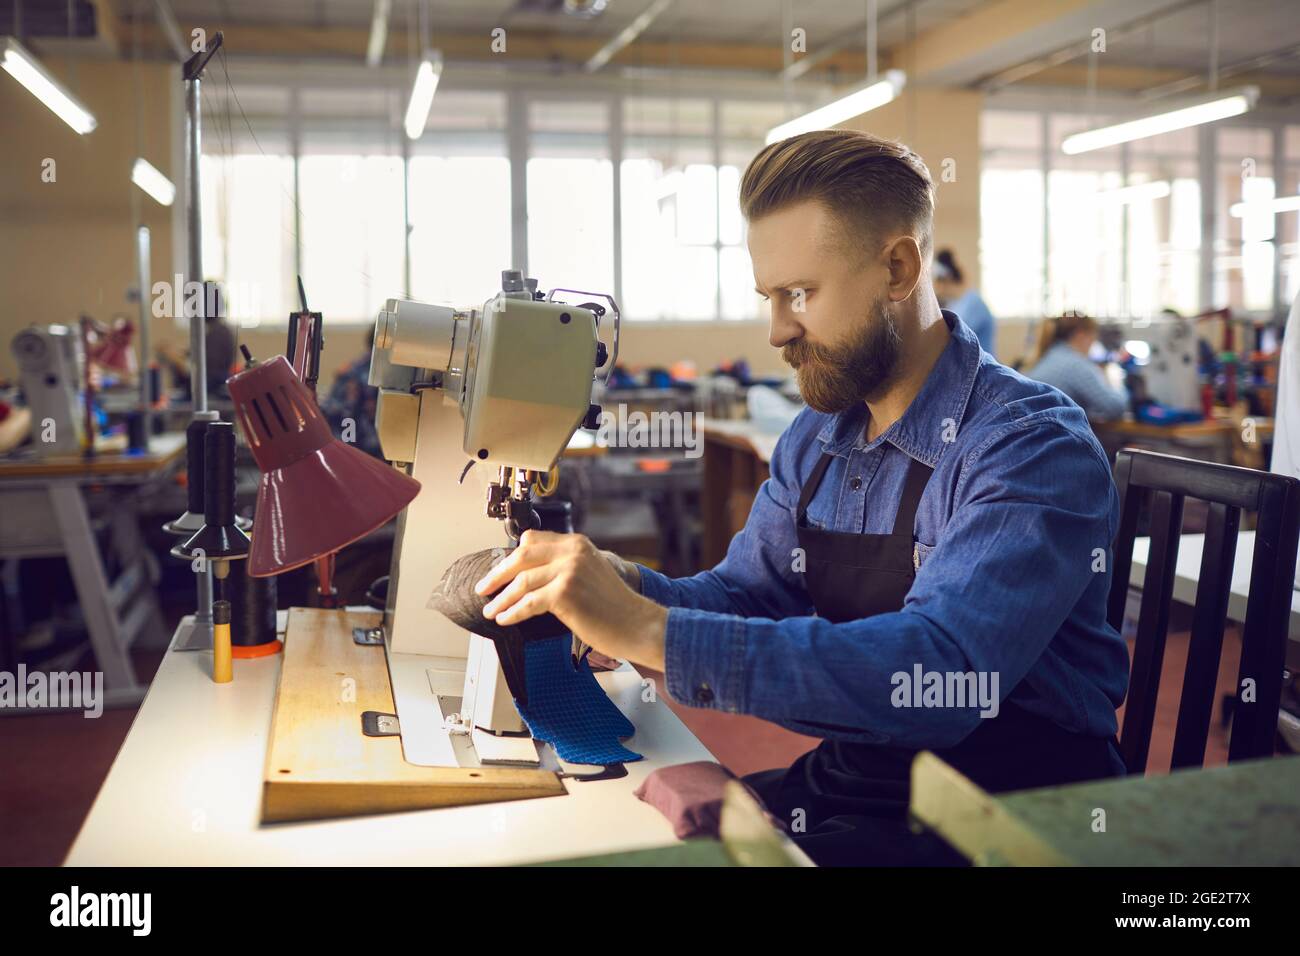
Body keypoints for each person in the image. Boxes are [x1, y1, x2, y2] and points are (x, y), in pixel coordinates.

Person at [471, 129, 1130, 866]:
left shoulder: (1029, 446)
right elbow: (749, 592)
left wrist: (649, 631)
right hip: (871, 782)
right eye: (770, 297)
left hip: (1016, 813)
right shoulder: (820, 436)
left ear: (899, 269)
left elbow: (943, 675)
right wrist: (628, 586)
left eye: (801, 294)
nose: (779, 330)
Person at [1027, 311, 1129, 423]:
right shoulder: (1075, 365)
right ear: (1081, 335)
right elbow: (1115, 408)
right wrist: (1117, 380)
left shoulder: (1050, 356)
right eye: (1092, 338)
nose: (1092, 344)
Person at [932, 248, 996, 355]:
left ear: (947, 279)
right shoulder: (956, 304)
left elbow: (954, 338)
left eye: (935, 283)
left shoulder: (973, 303)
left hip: (980, 368)